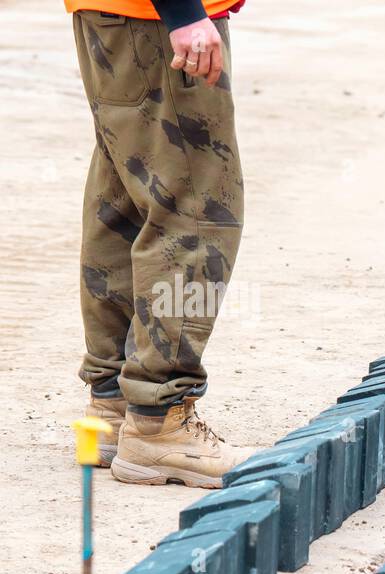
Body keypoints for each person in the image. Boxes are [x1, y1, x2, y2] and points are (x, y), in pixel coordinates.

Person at [68, 0, 250, 487]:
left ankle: (114, 404)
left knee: (124, 201)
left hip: (115, 14)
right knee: (195, 212)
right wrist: (185, 13)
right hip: (155, 20)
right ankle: (159, 422)